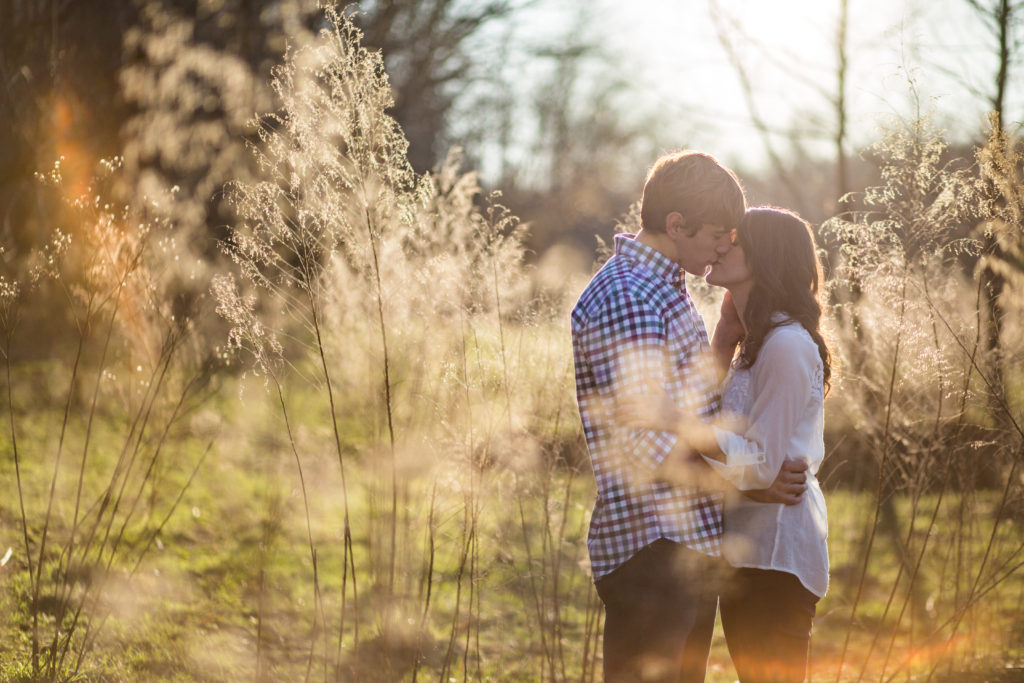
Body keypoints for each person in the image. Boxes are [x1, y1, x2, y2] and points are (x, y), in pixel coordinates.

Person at [570, 151, 808, 683]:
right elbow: (646, 448)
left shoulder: (663, 289)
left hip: (680, 545)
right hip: (653, 544)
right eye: (718, 235)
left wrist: (723, 340)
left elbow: (681, 405)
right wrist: (749, 489)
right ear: (677, 225)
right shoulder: (631, 296)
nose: (726, 245)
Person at [617, 206, 831, 683]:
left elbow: (758, 465)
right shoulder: (755, 342)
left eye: (734, 240)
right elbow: (733, 446)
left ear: (764, 257)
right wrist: (724, 338)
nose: (720, 246)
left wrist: (674, 420)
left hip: (776, 557)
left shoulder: (786, 346)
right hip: (744, 553)